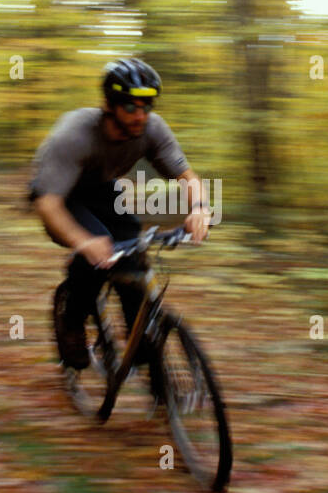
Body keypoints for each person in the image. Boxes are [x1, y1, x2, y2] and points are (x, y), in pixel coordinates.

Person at [28, 57, 210, 371]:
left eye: (146, 106)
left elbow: (189, 178)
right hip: (59, 195)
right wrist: (83, 242)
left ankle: (138, 340)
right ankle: (70, 321)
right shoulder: (74, 134)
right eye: (130, 107)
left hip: (101, 188)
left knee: (133, 252)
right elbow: (47, 204)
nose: (140, 115)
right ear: (109, 105)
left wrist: (200, 209)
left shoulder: (152, 129)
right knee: (99, 249)